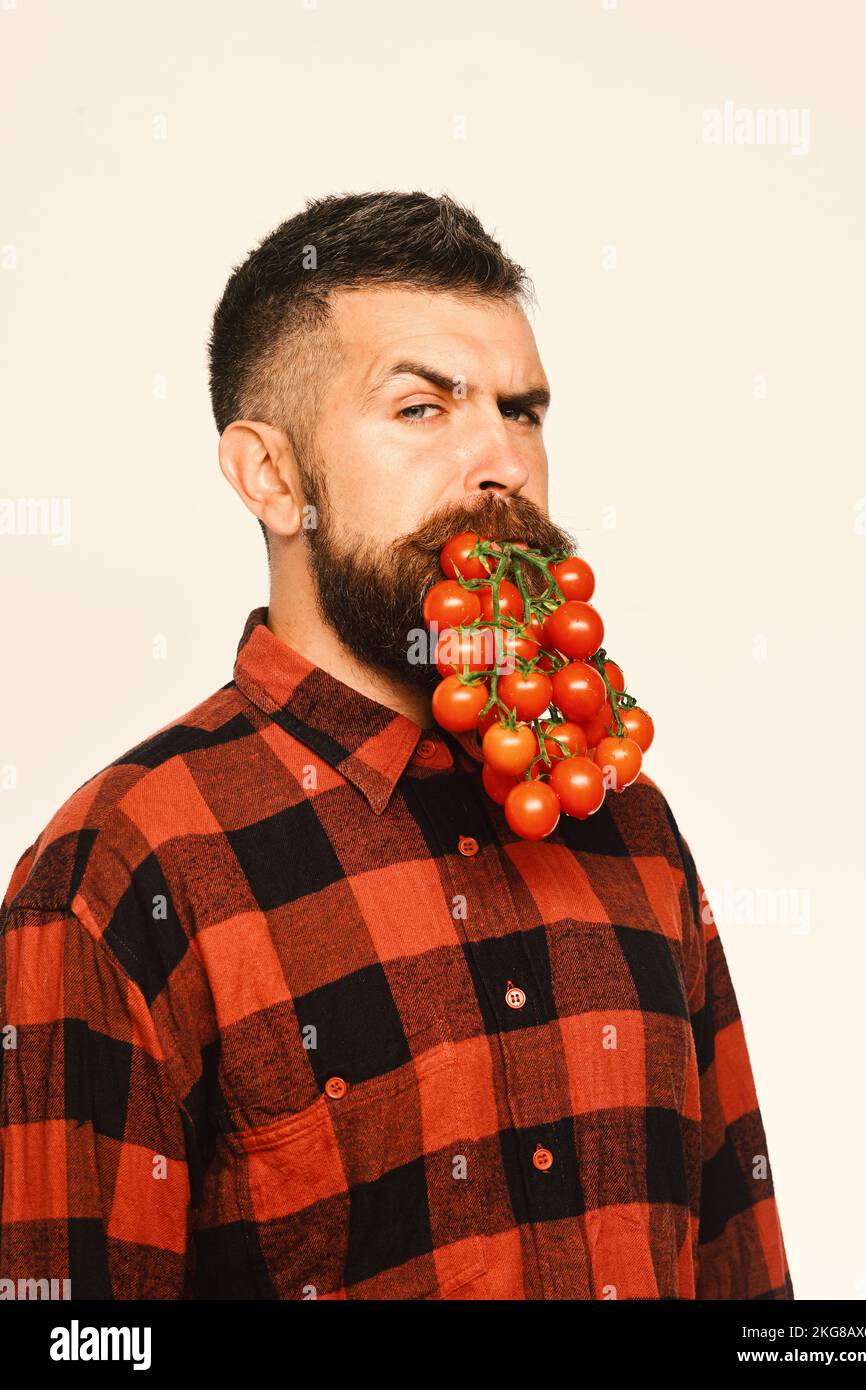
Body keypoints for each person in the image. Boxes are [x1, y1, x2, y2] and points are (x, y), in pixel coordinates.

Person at [0, 191, 793, 1300]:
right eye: (424, 408)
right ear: (271, 477)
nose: (502, 463)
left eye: (522, 412)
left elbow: (746, 1286)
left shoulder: (624, 817)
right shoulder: (116, 879)